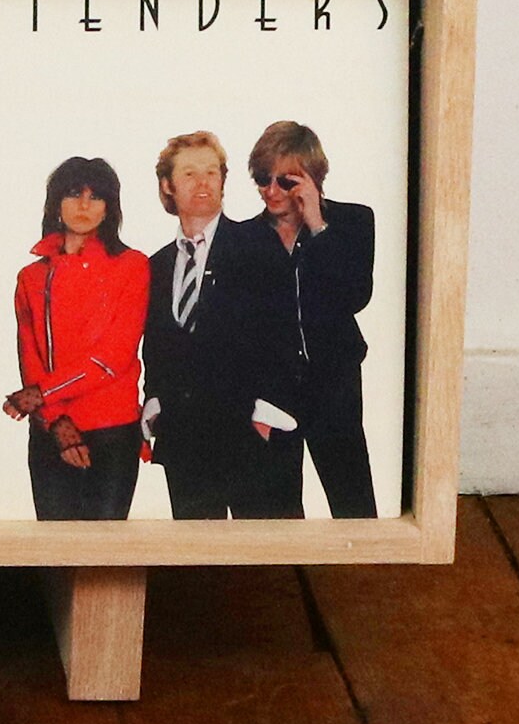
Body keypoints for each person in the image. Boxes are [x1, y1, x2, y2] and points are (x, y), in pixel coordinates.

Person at [141, 132, 305, 518]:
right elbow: (158, 346)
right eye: (190, 173)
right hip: (185, 438)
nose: (203, 183)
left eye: (211, 172)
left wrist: (266, 416)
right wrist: (155, 403)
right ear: (168, 185)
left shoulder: (260, 243)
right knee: (199, 563)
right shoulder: (157, 265)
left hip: (252, 433)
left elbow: (286, 332)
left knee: (270, 560)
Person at [4, 157, 151, 519]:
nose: (84, 205)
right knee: (55, 554)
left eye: (96, 196)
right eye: (74, 194)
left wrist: (42, 395)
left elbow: (112, 357)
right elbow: (30, 358)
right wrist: (56, 421)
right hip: (50, 430)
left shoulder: (132, 266)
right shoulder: (31, 277)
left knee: (104, 554)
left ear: (110, 208)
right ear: (56, 202)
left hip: (112, 432)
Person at [250, 120, 379, 518]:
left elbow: (355, 295)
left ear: (312, 179)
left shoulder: (353, 222)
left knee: (353, 499)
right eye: (261, 178)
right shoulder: (245, 238)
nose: (271, 190)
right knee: (277, 511)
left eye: (285, 181)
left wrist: (317, 226)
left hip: (333, 383)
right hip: (273, 392)